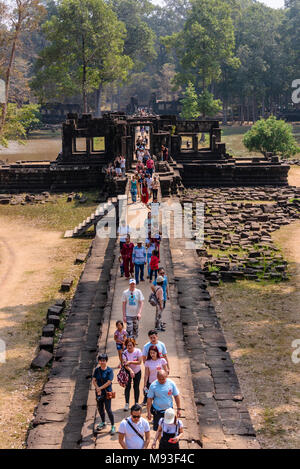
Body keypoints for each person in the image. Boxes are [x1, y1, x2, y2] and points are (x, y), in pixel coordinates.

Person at [92, 353, 116, 435]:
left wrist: (99, 388)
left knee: (108, 409)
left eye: (104, 360)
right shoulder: (97, 370)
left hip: (106, 393)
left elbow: (109, 382)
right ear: (99, 361)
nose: (102, 362)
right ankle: (103, 422)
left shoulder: (109, 371)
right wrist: (96, 388)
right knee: (100, 408)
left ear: (106, 361)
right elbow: (94, 380)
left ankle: (113, 425)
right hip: (98, 393)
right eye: (100, 361)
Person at [122, 338, 143, 410]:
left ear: (133, 345)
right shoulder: (124, 353)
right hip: (128, 372)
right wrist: (130, 370)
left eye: (131, 345)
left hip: (137, 371)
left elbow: (140, 362)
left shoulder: (138, 351)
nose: (129, 347)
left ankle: (136, 403)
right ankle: (127, 403)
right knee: (127, 387)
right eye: (128, 345)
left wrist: (130, 362)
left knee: (136, 387)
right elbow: (125, 364)